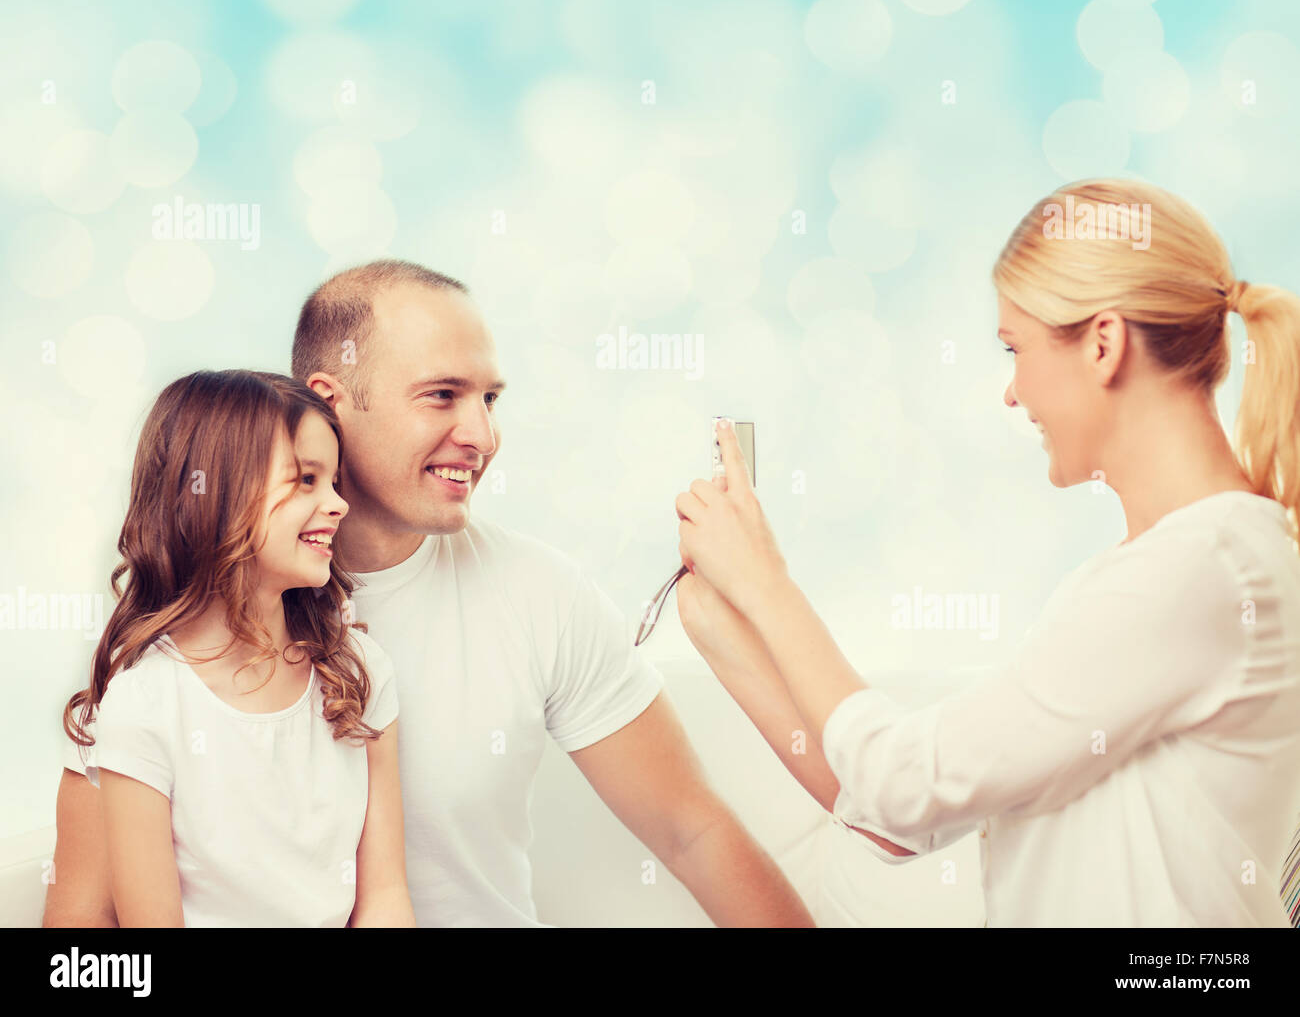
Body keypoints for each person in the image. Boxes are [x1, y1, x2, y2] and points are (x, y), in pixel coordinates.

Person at [47, 262, 814, 928]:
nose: (482, 435)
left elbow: (693, 829)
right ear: (332, 400)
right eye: (443, 395)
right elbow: (84, 914)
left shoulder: (535, 596)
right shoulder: (158, 669)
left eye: (490, 399)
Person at [673, 177, 1300, 927]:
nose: (1012, 391)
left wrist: (767, 583)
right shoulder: (1161, 573)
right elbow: (894, 815)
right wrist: (724, 624)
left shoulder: (1205, 568)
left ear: (1103, 343)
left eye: (1017, 348)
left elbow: (905, 784)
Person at [58, 370, 413, 927]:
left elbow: (385, 898)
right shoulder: (145, 704)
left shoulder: (360, 671)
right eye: (306, 480)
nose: (338, 504)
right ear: (212, 498)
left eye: (334, 482)